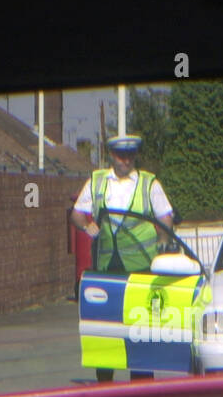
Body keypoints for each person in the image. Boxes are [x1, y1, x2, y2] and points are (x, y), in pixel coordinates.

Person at [69, 134, 176, 382]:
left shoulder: (150, 183)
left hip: (142, 268)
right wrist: (86, 226)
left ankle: (141, 382)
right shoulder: (97, 181)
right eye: (120, 155)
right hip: (107, 269)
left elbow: (165, 216)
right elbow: (76, 214)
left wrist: (162, 242)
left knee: (140, 327)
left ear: (135, 156)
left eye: (130, 156)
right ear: (111, 156)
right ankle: (105, 382)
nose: (125, 160)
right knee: (106, 327)